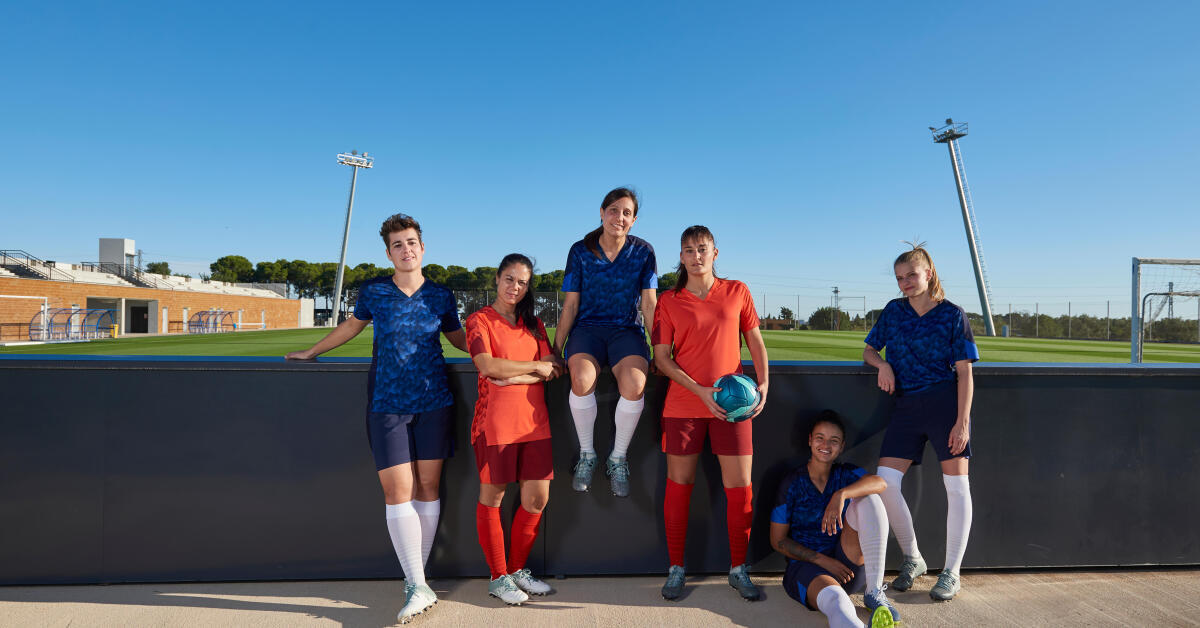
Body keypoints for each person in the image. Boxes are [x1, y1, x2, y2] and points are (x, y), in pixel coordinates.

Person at [286, 214, 467, 624]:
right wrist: (312, 352)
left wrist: (503, 351)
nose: (407, 249)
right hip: (387, 404)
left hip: (435, 400)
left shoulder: (441, 295)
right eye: (398, 244)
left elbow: (460, 338)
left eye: (412, 242)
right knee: (397, 491)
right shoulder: (375, 292)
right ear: (389, 253)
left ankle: (416, 583)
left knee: (428, 486)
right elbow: (351, 327)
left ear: (423, 247)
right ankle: (418, 583)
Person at [650, 225, 769, 601]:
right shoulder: (669, 301)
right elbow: (661, 359)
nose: (696, 255)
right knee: (679, 489)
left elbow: (755, 342)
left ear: (715, 253)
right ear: (681, 257)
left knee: (740, 491)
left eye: (702, 249)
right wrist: (700, 391)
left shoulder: (737, 292)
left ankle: (738, 568)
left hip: (733, 409)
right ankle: (676, 569)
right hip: (684, 405)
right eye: (688, 250)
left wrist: (763, 385)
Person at [862, 243, 979, 602]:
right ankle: (913, 557)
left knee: (957, 487)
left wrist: (962, 422)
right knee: (886, 483)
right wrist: (882, 365)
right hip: (907, 405)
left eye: (911, 275)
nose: (905, 283)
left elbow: (965, 373)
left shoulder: (952, 315)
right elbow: (869, 349)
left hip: (945, 404)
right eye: (900, 278)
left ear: (929, 273)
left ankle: (952, 571)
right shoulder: (894, 312)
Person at [464, 254, 562, 606]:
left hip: (535, 423)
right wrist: (532, 368)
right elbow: (487, 366)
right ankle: (497, 576)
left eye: (522, 282)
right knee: (493, 497)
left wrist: (516, 375)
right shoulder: (479, 320)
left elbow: (554, 368)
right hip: (496, 423)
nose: (515, 287)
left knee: (537, 498)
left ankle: (518, 570)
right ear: (497, 278)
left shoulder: (534, 324)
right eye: (509, 279)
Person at [553, 187, 658, 497]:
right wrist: (554, 352)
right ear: (601, 212)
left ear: (634, 219)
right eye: (613, 210)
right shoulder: (580, 250)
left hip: (626, 331)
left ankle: (618, 457)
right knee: (582, 378)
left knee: (635, 384)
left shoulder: (644, 252)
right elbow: (570, 305)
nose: (619, 217)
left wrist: (661, 351)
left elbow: (649, 304)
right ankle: (587, 454)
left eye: (626, 213)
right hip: (587, 329)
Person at [770, 411, 899, 628]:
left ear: (841, 447)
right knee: (837, 601)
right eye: (820, 437)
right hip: (808, 569)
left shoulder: (845, 474)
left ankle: (874, 592)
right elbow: (778, 541)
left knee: (870, 500)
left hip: (847, 567)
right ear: (810, 440)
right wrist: (821, 560)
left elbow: (880, 483)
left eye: (834, 440)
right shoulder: (792, 482)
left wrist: (841, 495)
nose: (826, 444)